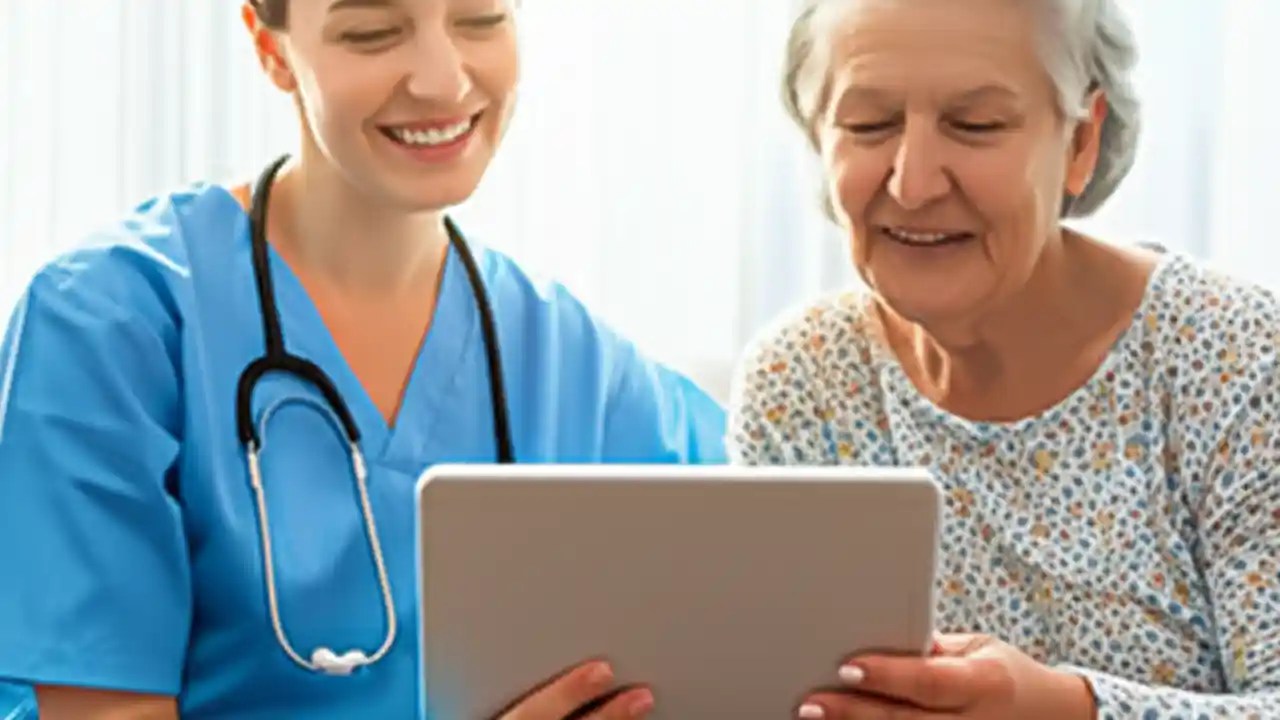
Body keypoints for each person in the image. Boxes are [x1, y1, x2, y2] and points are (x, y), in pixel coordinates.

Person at [0, 1, 724, 718]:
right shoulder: (112, 324)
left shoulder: (572, 362)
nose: (443, 82)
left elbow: (784, 567)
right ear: (272, 48)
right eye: (372, 33)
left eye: (480, 18)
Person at [728, 0, 1280, 718]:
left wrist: (1066, 710)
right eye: (868, 126)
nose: (912, 183)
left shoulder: (1233, 359)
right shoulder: (802, 380)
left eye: (976, 126)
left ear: (1083, 141)